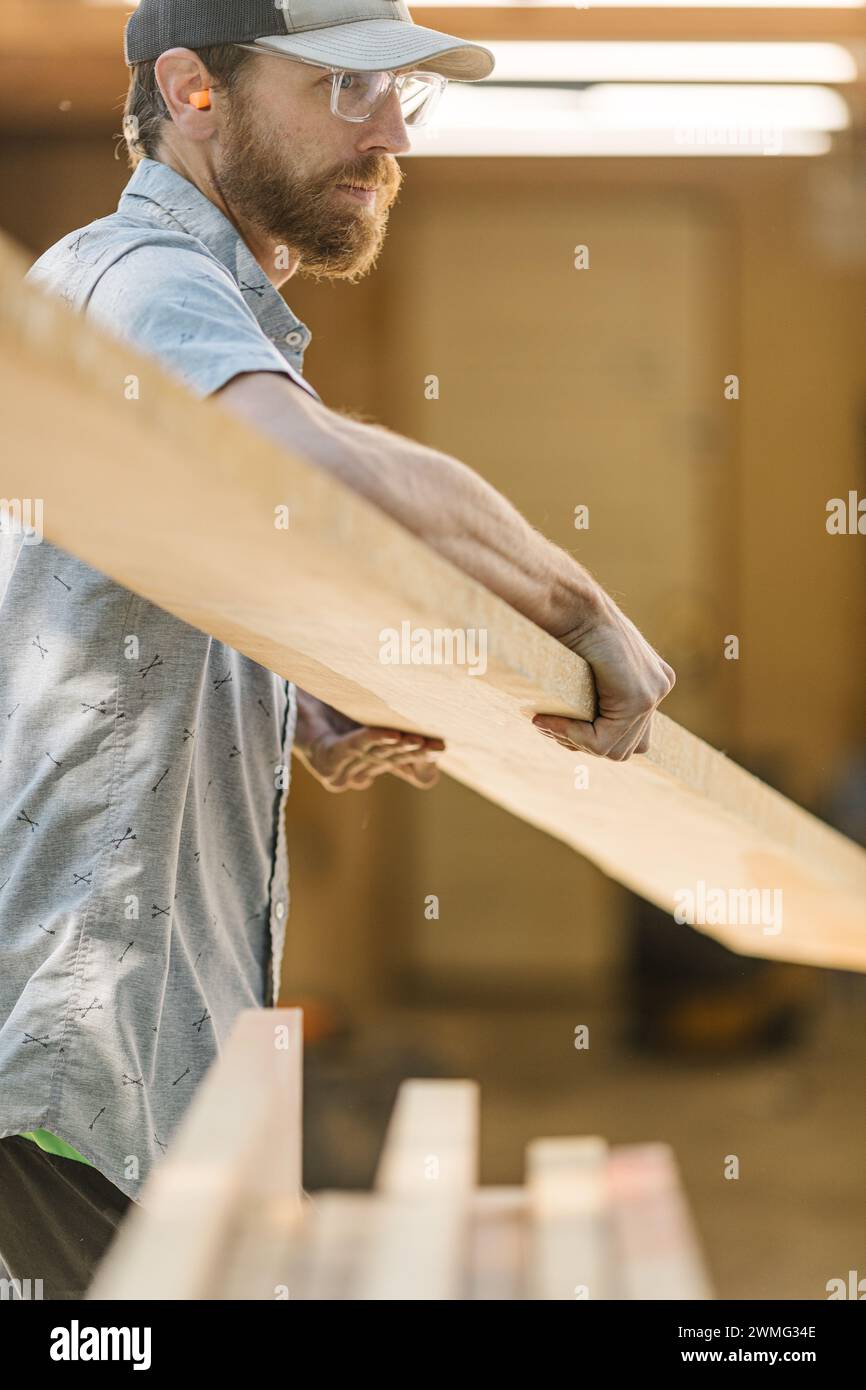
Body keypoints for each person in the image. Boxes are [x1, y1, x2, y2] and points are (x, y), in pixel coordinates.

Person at [0, 0, 675, 1298]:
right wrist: (575, 604)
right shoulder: (139, 282)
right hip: (68, 1071)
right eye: (342, 89)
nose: (389, 134)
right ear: (193, 90)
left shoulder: (159, 320)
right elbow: (315, 466)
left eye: (402, 94)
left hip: (129, 1068)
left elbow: (133, 588)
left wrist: (291, 702)